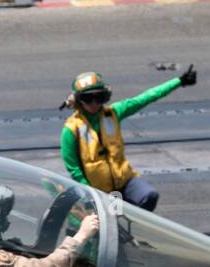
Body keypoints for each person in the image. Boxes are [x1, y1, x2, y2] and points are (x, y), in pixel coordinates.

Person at [60, 66, 197, 211]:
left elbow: (147, 97)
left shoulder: (113, 113)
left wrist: (179, 81)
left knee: (149, 195)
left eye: (98, 98)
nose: (94, 104)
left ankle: (130, 221)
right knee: (111, 221)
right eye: (88, 99)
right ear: (78, 100)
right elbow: (73, 168)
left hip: (124, 182)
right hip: (99, 192)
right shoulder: (71, 129)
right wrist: (91, 194)